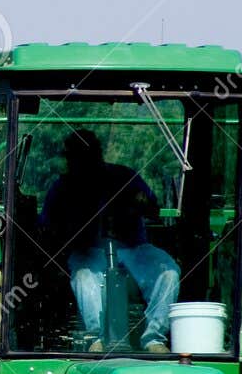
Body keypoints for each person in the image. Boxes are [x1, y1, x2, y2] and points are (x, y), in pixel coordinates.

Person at [38, 129, 179, 352]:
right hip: (90, 252)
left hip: (135, 249)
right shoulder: (62, 187)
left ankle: (154, 338)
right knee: (83, 275)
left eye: (85, 154)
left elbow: (153, 209)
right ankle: (96, 339)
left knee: (168, 271)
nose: (79, 161)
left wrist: (139, 203)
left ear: (97, 154)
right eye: (75, 155)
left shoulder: (125, 176)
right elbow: (47, 226)